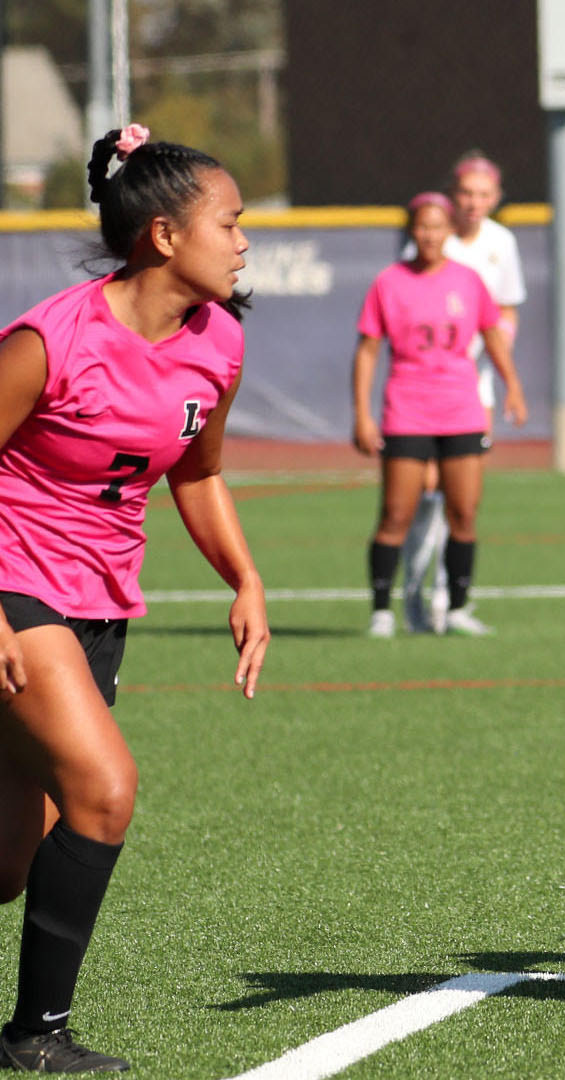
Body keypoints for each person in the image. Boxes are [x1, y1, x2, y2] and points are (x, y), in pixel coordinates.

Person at [0, 124, 271, 1073]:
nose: (244, 240)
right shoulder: (50, 339)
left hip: (100, 607)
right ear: (163, 235)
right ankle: (36, 1038)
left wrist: (244, 578)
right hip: (13, 587)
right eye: (230, 222)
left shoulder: (220, 343)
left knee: (10, 863)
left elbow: (197, 477)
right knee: (105, 793)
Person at [352, 192, 527, 638]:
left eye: (437, 226)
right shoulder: (389, 283)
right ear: (412, 230)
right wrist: (362, 414)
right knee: (396, 514)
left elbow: (492, 335)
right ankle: (381, 611)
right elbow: (368, 351)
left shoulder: (469, 281)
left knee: (463, 513)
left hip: (461, 411)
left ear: (450, 231)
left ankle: (457, 610)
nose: (430, 234)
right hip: (407, 411)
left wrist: (513, 386)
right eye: (422, 226)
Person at [397, 153, 527, 634]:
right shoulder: (433, 237)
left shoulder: (501, 243)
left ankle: (451, 604)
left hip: (474, 389)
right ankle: (412, 597)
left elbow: (507, 311)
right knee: (424, 496)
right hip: (423, 388)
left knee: (462, 502)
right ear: (454, 195)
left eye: (483, 195)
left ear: (496, 198)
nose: (473, 203)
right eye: (466, 193)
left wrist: (494, 355)